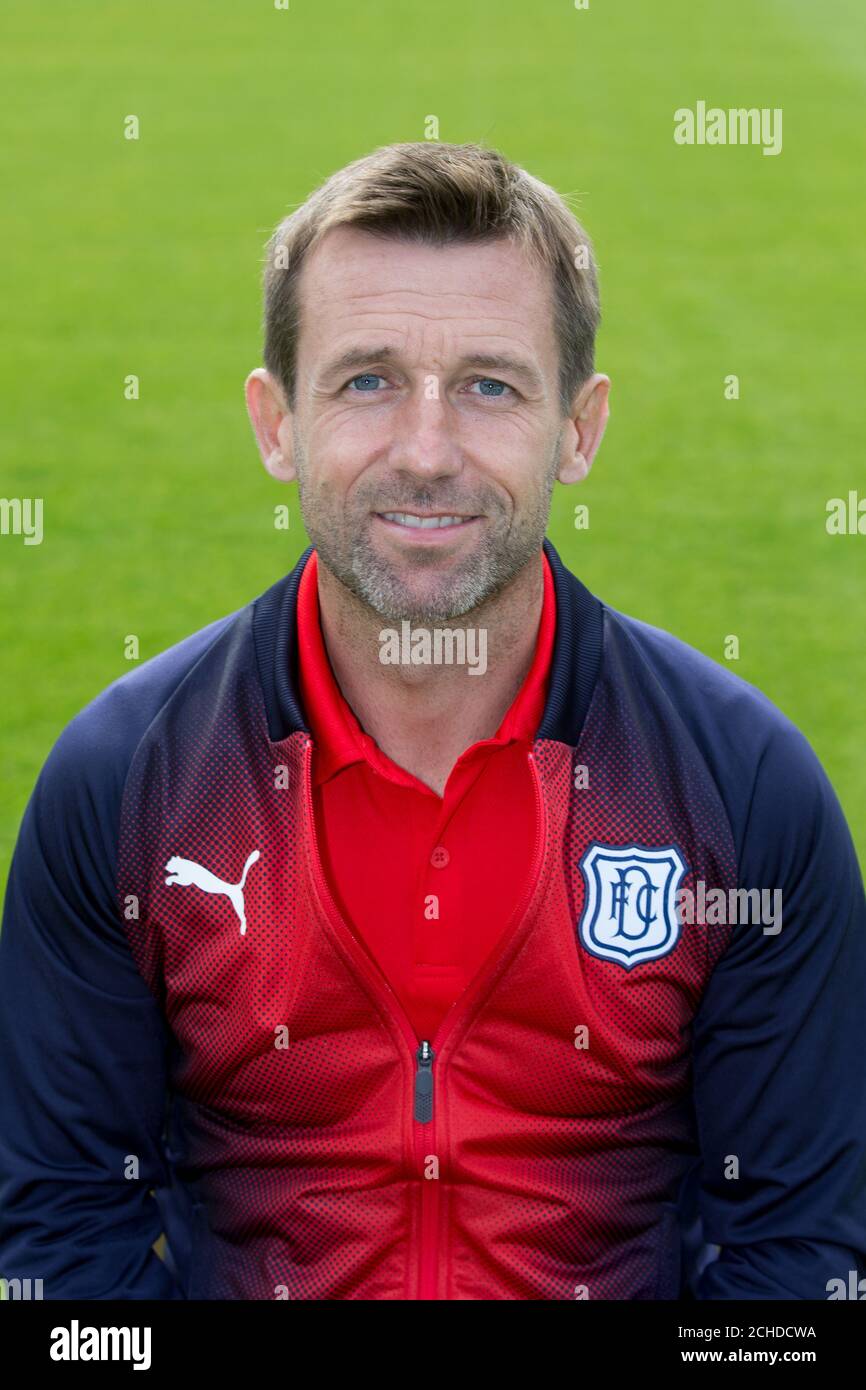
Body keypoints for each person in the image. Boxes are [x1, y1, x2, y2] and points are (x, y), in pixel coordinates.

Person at [1, 142, 864, 1301]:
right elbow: (58, 1243)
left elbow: (799, 1260)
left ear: (578, 428)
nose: (424, 451)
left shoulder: (744, 790)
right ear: (275, 423)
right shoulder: (123, 785)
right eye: (365, 380)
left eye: (488, 386)